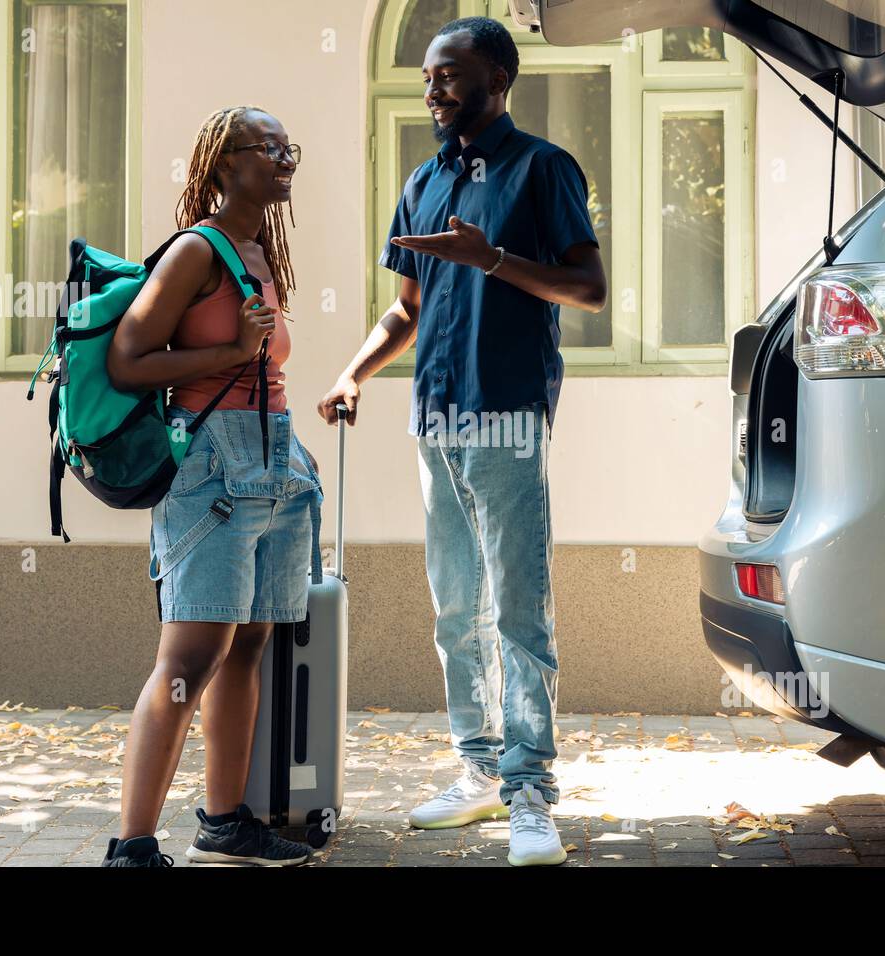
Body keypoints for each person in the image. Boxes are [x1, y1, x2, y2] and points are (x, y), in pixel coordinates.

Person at [318, 17, 606, 867]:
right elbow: (406, 309)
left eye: (450, 74)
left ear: (499, 77)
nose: (434, 89)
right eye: (428, 78)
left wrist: (493, 261)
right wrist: (353, 374)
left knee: (520, 612)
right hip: (433, 420)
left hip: (508, 417)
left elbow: (587, 289)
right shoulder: (423, 179)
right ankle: (477, 772)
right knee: (456, 612)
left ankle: (531, 796)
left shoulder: (543, 169)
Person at [101, 106, 320, 867]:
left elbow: (266, 364)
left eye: (290, 147)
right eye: (269, 148)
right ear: (225, 163)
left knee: (248, 646)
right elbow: (130, 359)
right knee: (189, 660)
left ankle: (225, 822)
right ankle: (131, 846)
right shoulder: (198, 250)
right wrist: (231, 348)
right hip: (211, 470)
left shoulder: (261, 249)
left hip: (275, 463)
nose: (285, 158)